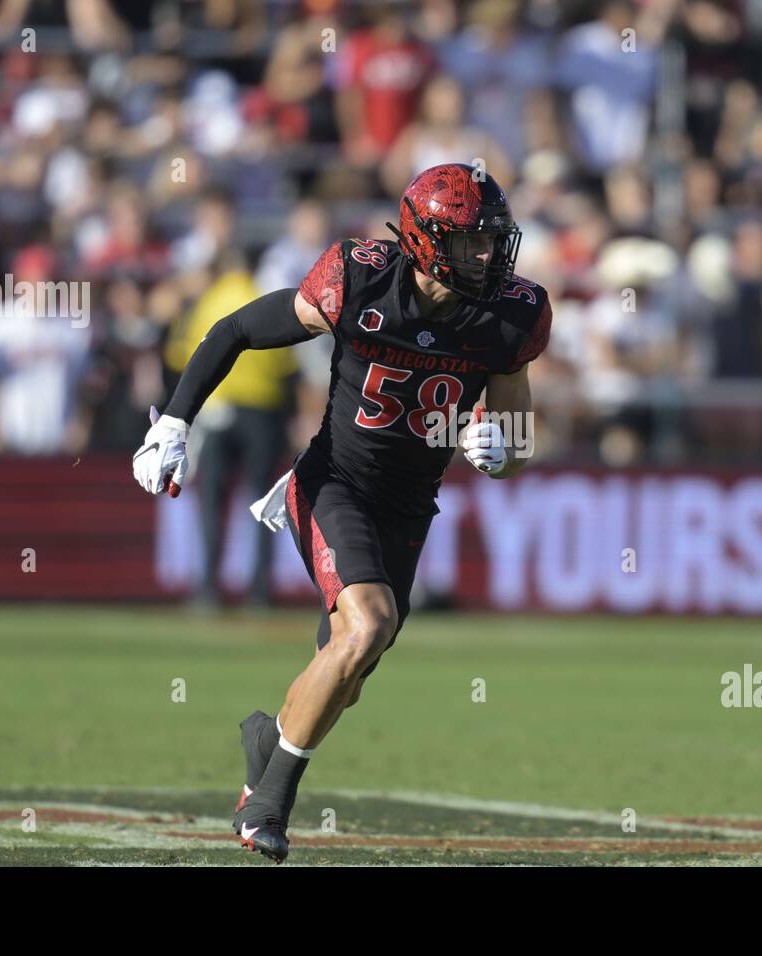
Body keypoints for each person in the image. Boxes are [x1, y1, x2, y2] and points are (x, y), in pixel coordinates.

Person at [132, 164, 551, 862]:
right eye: (470, 241)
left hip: (410, 507)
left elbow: (521, 436)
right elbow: (234, 329)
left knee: (346, 675)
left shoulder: (509, 315)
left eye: (492, 240)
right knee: (370, 624)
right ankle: (267, 806)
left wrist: (504, 451)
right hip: (333, 484)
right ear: (424, 240)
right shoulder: (358, 279)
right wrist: (174, 423)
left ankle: (266, 741)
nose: (487, 255)